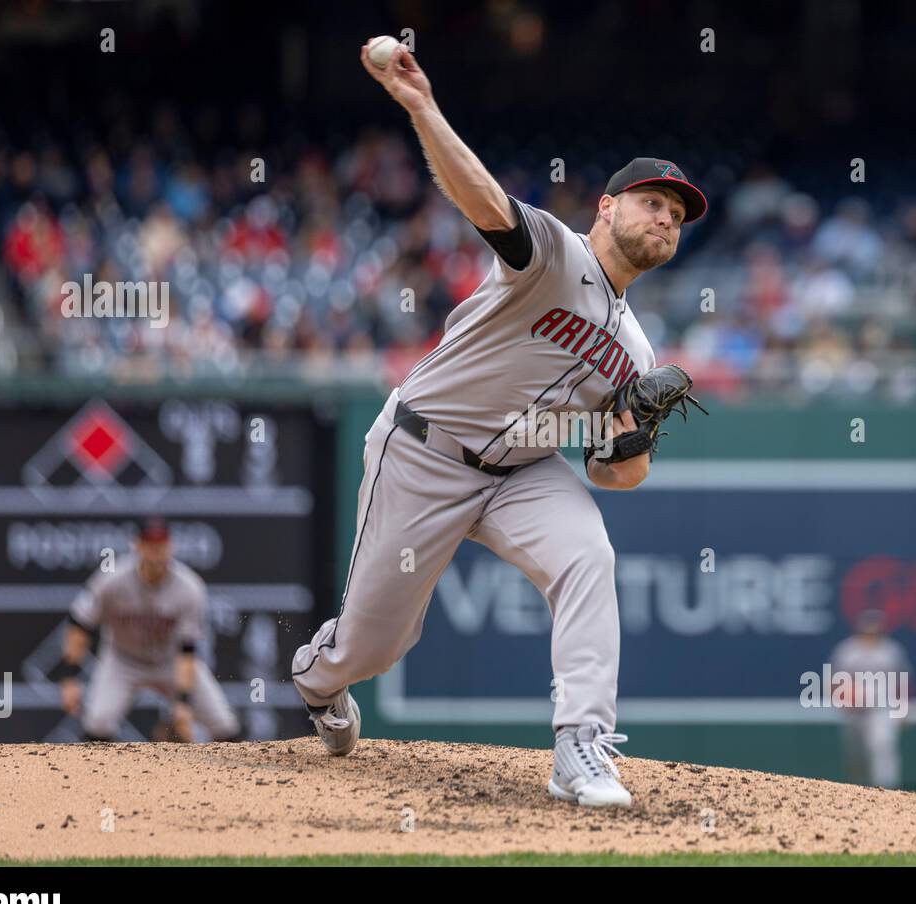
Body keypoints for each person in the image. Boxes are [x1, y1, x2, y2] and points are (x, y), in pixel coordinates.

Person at [290, 38, 708, 808]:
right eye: (653, 201)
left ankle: (580, 745)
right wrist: (422, 106)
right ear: (608, 207)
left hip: (524, 472)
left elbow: (614, 474)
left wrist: (636, 434)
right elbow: (481, 197)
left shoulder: (636, 349)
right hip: (424, 451)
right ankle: (319, 679)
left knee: (589, 556)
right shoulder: (551, 251)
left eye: (677, 214)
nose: (666, 218)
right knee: (377, 645)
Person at [57, 518, 240, 743]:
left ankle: (230, 779)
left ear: (171, 547)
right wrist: (69, 679)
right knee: (98, 722)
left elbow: (187, 651)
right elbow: (80, 625)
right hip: (123, 660)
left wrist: (183, 703)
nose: (156, 552)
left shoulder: (189, 587)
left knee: (224, 724)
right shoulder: (112, 579)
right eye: (150, 545)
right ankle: (98, 777)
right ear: (138, 546)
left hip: (170, 660)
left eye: (161, 546)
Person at [829, 610, 913, 790]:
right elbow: (833, 682)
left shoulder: (891, 651)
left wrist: (905, 707)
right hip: (854, 711)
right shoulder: (847, 651)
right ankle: (858, 794)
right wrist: (843, 698)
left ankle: (888, 794)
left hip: (883, 709)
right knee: (856, 756)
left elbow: (903, 681)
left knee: (883, 749)